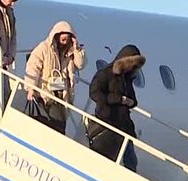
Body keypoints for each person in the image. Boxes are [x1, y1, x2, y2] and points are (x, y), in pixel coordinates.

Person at [88, 44, 145, 172]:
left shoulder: (127, 78)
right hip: (108, 123)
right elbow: (94, 92)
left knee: (131, 162)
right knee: (108, 161)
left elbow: (133, 99)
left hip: (124, 125)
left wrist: (131, 102)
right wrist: (118, 99)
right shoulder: (106, 74)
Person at [24, 21, 86, 134]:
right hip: (44, 93)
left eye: (68, 35)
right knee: (54, 123)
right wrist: (30, 88)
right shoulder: (44, 48)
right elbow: (33, 68)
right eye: (62, 34)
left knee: (59, 122)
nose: (65, 37)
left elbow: (81, 65)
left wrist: (77, 49)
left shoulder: (69, 54)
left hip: (61, 96)